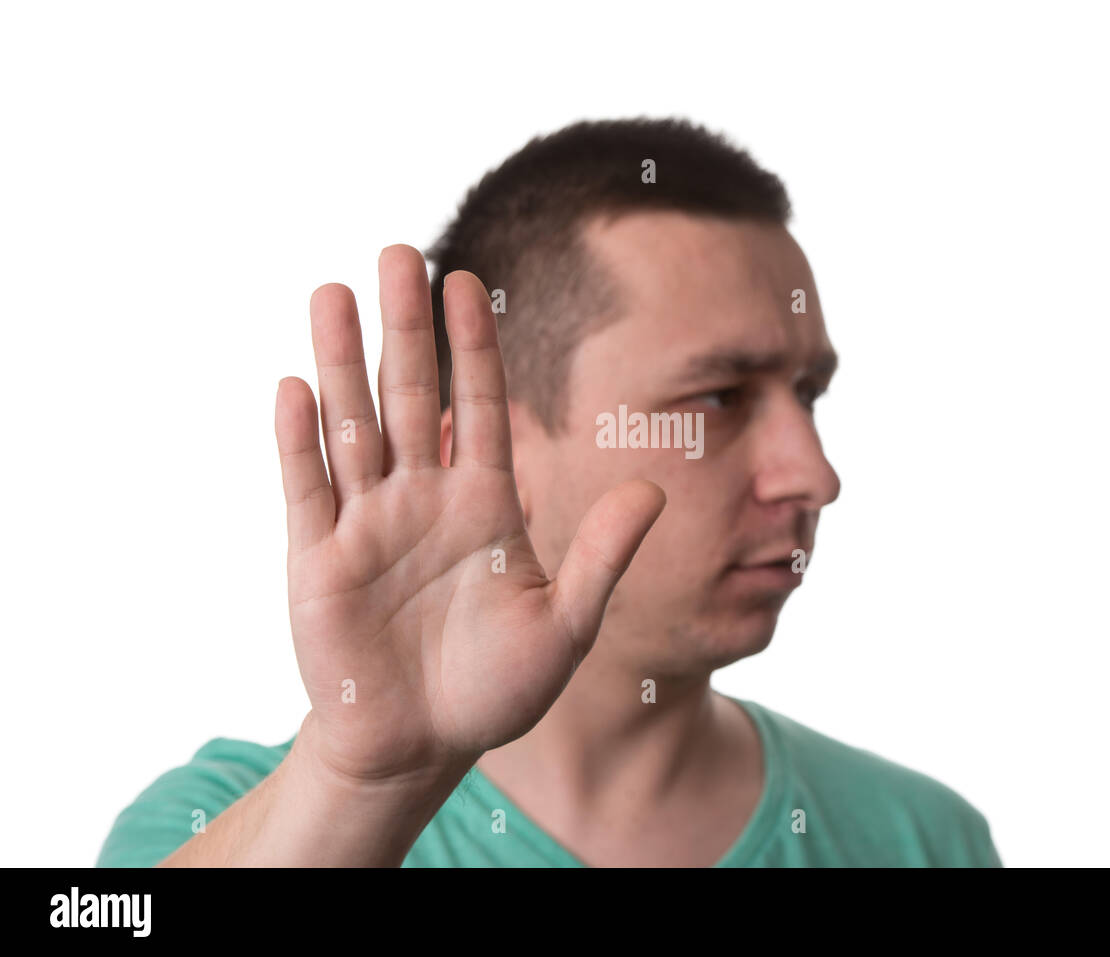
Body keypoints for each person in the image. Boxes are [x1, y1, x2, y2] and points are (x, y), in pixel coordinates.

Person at [96, 117, 1002, 867]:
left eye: (807, 394)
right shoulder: (226, 824)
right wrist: (365, 783)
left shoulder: (924, 840)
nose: (814, 475)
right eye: (718, 398)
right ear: (492, 458)